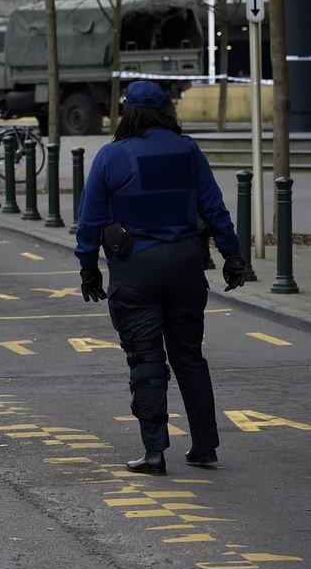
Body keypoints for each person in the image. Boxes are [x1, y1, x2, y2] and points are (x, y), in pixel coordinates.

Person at [76, 81, 247, 475]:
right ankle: (204, 445)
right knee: (189, 357)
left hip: (136, 269)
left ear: (128, 111)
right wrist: (233, 256)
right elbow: (214, 207)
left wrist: (88, 268)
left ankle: (154, 453)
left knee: (146, 360)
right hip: (186, 265)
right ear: (167, 111)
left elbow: (90, 221)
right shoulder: (187, 150)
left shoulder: (111, 156)